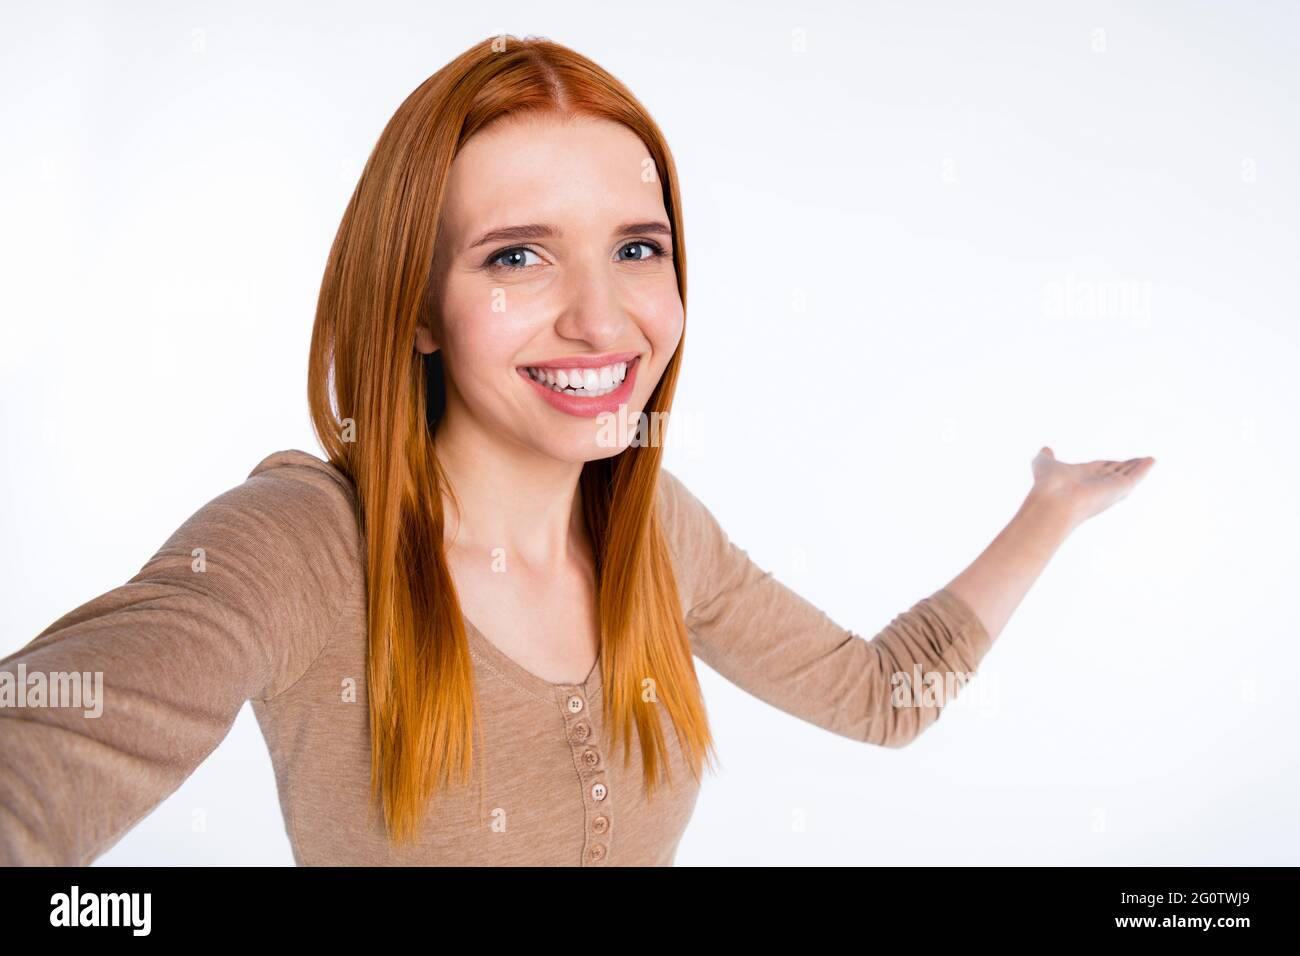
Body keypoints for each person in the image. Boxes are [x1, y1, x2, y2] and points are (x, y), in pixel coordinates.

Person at [0, 34, 1155, 866]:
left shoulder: (656, 533)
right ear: (410, 303)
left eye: (638, 248)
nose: (605, 322)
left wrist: (1047, 510)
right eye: (518, 256)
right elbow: (35, 773)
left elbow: (878, 695)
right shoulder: (302, 547)